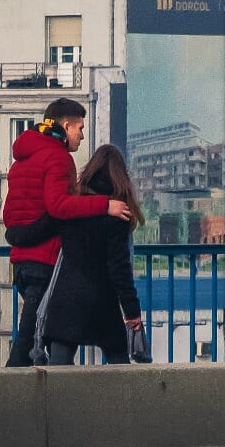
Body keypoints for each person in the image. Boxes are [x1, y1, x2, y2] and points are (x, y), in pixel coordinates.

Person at [1, 99, 134, 368]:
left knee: (51, 341)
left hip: (22, 263)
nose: (82, 136)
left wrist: (19, 237)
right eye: (80, 129)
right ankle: (6, 404)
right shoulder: (59, 158)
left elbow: (10, 216)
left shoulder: (24, 159)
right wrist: (105, 205)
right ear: (66, 125)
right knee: (26, 345)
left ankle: (51, 401)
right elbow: (59, 206)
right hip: (44, 263)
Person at [32, 142, 150, 366]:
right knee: (119, 366)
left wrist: (15, 233)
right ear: (121, 176)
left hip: (65, 299)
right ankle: (124, 403)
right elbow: (120, 269)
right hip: (101, 300)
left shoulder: (71, 205)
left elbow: (35, 232)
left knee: (58, 369)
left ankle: (55, 403)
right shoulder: (118, 212)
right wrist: (132, 311)